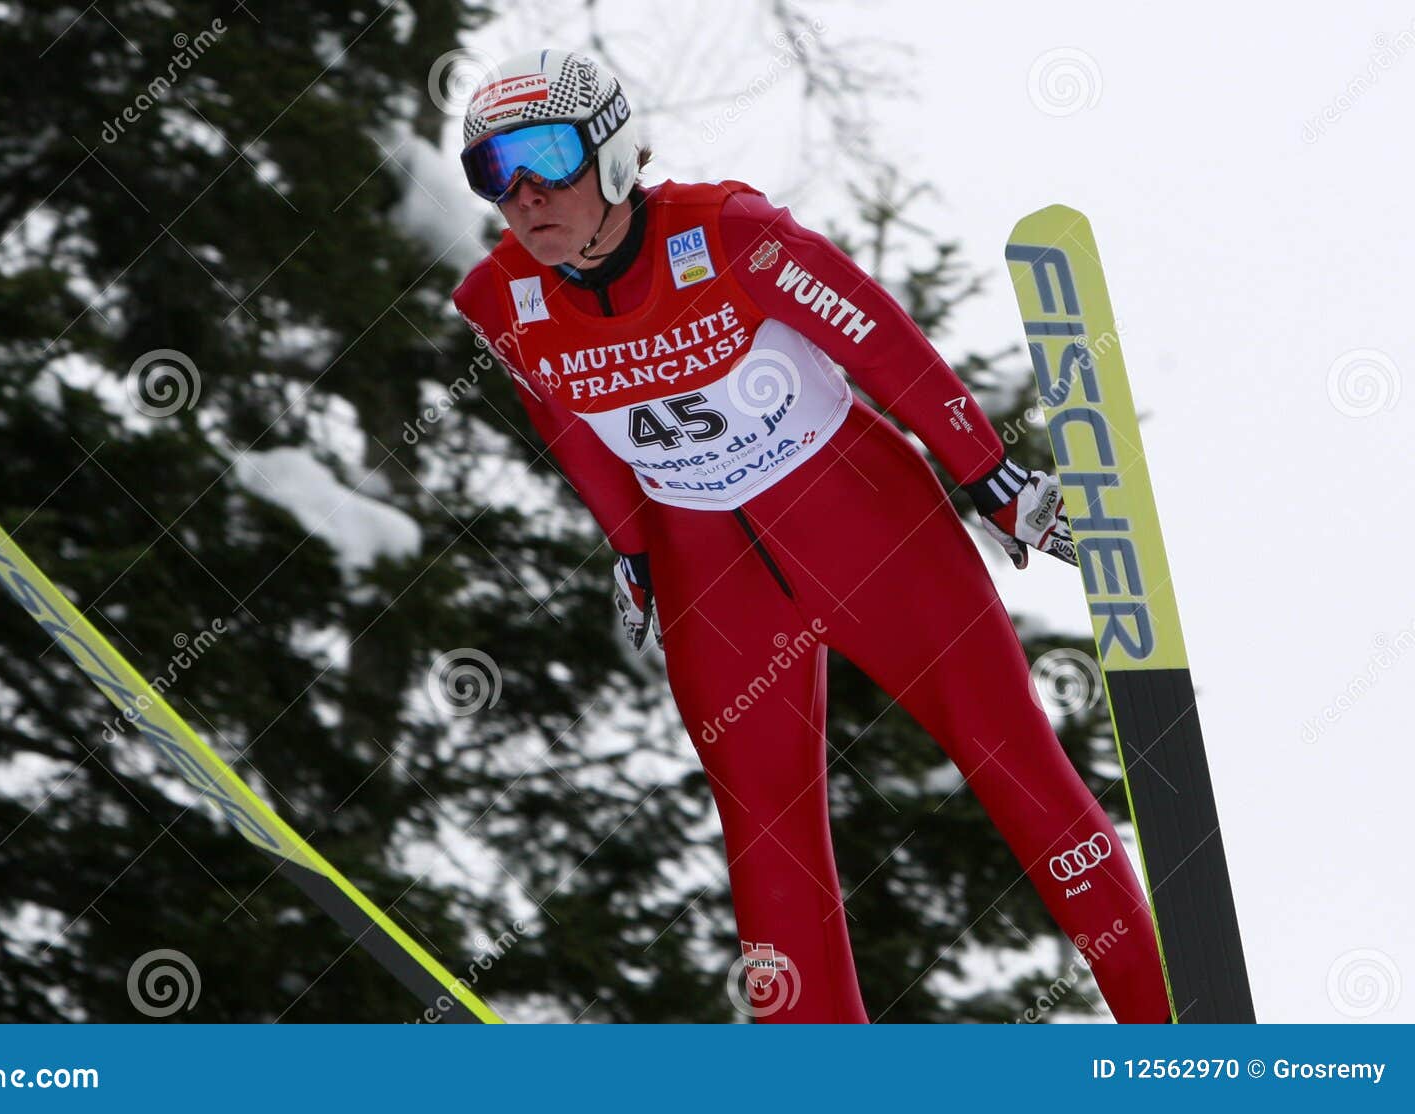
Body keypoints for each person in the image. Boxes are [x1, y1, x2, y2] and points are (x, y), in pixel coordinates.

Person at [451, 48, 1170, 1024]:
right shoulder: (503, 300)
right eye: (494, 171)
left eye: (544, 156)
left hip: (865, 523)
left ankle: (1172, 1024)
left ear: (612, 152)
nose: (524, 192)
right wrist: (628, 547)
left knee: (1012, 761)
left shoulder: (728, 233)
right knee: (765, 840)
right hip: (710, 573)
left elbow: (879, 340)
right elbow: (569, 427)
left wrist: (990, 478)